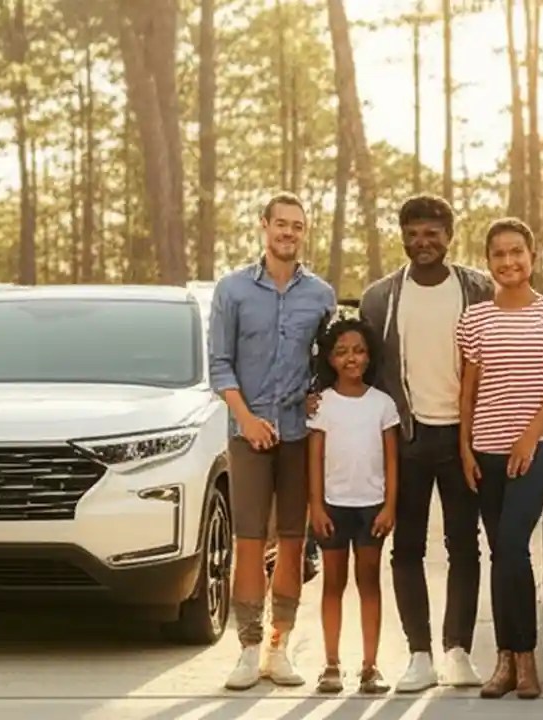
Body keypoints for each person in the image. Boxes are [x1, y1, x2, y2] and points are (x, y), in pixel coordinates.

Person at [358, 193, 495, 692]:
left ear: (449, 237)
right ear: (403, 237)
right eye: (413, 234)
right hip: (408, 439)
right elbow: (360, 367)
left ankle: (457, 649)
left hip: (464, 439)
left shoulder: (479, 290)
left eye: (432, 233)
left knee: (464, 545)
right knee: (407, 547)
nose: (423, 243)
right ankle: (419, 654)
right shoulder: (380, 298)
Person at [209, 192, 337, 691]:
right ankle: (246, 648)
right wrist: (247, 418)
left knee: (291, 544)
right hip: (249, 436)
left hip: (299, 438)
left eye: (297, 226)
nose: (288, 233)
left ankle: (278, 649)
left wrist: (314, 394)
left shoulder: (321, 295)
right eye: (280, 224)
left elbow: (325, 363)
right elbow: (220, 364)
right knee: (247, 544)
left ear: (305, 232)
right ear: (264, 227)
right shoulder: (233, 290)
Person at [455, 218, 543, 700]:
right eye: (499, 255)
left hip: (536, 450)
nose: (508, 262)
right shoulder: (475, 319)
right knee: (502, 554)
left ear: (532, 256)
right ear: (488, 263)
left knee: (510, 544)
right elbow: (468, 393)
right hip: (484, 449)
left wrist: (529, 438)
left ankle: (526, 660)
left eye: (516, 252)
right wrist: (465, 449)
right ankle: (504, 661)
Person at [306, 317, 400, 695]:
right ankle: (331, 663)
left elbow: (393, 460)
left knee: (369, 583)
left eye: (359, 351)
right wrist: (316, 507)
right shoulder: (322, 405)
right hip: (333, 507)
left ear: (370, 356)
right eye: (342, 352)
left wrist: (389, 505)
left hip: (371, 509)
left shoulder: (382, 404)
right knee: (333, 583)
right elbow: (314, 459)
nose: (351, 358)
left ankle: (370, 665)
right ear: (329, 358)